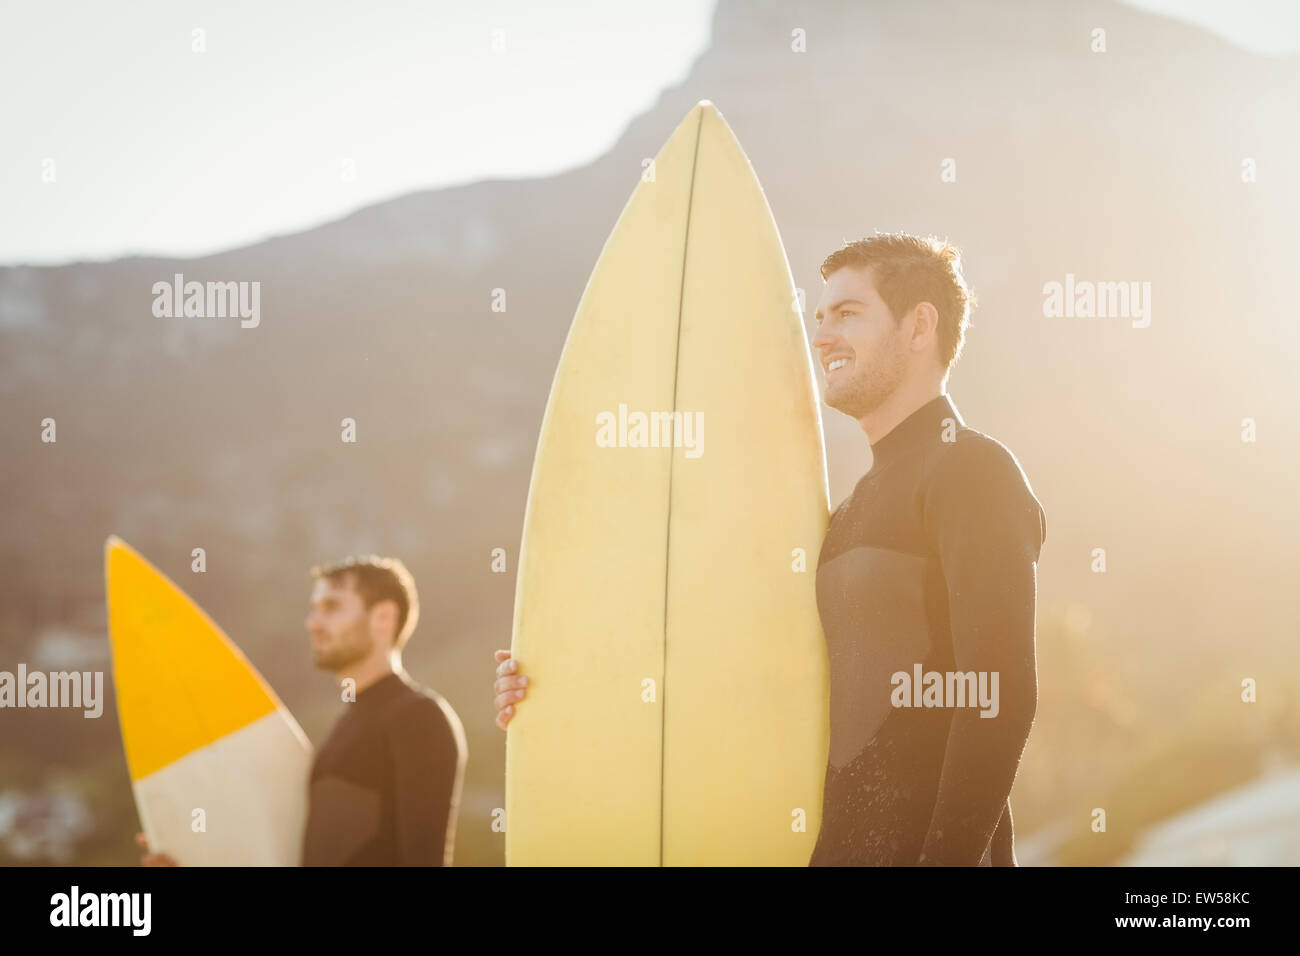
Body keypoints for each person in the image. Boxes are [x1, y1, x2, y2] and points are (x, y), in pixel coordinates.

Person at [493, 232, 1045, 866]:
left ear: (920, 327)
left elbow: (999, 693)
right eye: (819, 318)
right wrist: (557, 688)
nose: (822, 337)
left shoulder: (971, 470)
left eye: (847, 313)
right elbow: (753, 682)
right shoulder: (846, 515)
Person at [141, 555, 467, 866]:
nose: (313, 623)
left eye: (332, 607)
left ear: (383, 617)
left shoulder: (418, 718)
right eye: (313, 609)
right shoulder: (343, 729)